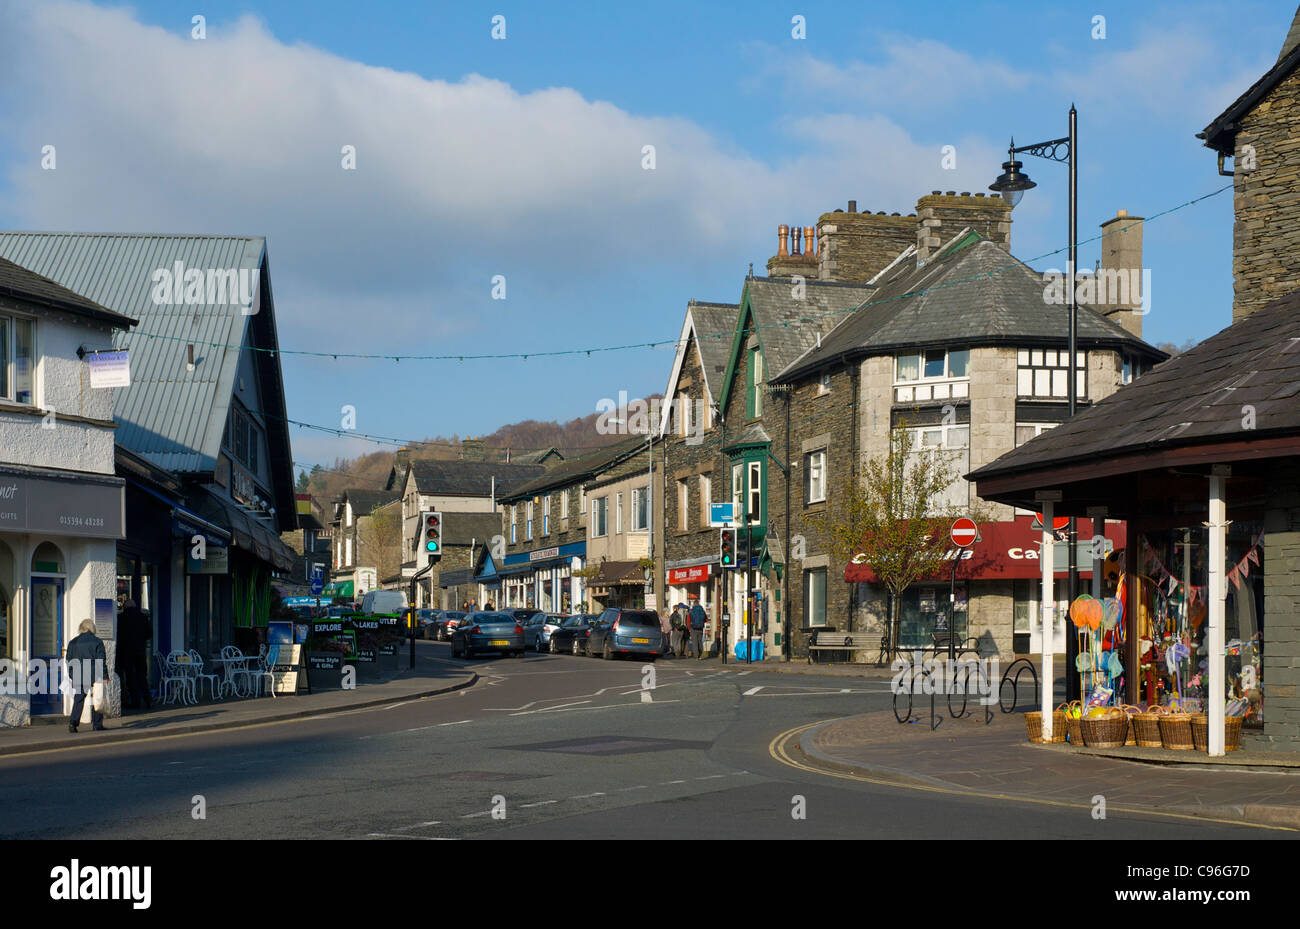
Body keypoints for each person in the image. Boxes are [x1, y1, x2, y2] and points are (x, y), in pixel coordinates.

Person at [66, 619, 107, 733]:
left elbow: (69, 660)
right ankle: (97, 724)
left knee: (78, 699)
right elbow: (101, 660)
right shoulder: (97, 641)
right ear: (92, 628)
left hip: (78, 673)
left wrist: (71, 674)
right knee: (97, 698)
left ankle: (73, 723)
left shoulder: (73, 642)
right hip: (95, 673)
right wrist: (104, 676)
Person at [116, 598, 152, 710]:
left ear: (125, 607)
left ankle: (135, 701)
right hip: (140, 652)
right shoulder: (143, 617)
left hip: (126, 652)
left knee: (130, 677)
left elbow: (118, 635)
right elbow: (149, 634)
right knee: (142, 677)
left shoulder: (121, 618)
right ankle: (148, 700)